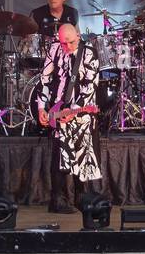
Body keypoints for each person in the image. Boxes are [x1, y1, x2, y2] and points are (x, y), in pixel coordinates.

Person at [37, 23, 102, 213]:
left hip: (81, 111)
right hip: (59, 108)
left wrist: (73, 111)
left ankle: (81, 197)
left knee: (82, 152)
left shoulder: (89, 53)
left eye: (71, 43)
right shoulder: (55, 49)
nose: (67, 47)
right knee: (59, 156)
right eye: (63, 43)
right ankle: (57, 200)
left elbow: (90, 86)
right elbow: (45, 80)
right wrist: (42, 107)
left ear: (79, 36)